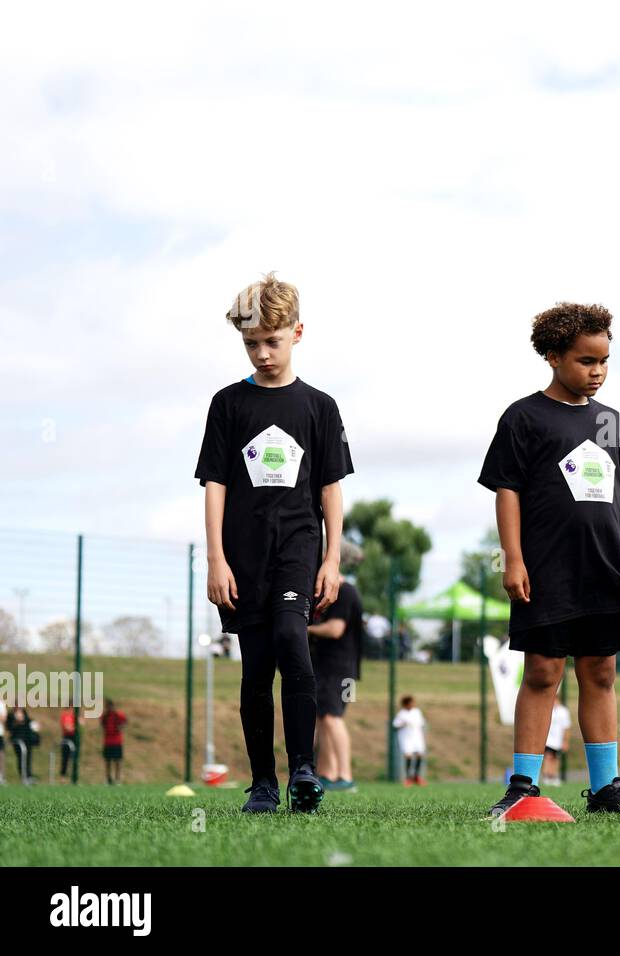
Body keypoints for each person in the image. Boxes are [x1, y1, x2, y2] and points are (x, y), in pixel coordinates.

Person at [478, 302, 620, 817]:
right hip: (547, 570)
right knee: (543, 672)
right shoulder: (524, 417)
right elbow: (505, 490)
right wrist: (513, 558)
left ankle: (605, 789)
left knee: (600, 672)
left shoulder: (612, 422)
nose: (596, 371)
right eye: (585, 361)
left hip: (605, 570)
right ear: (553, 357)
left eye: (603, 361)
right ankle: (523, 785)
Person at [195, 272, 355, 814]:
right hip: (242, 554)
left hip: (299, 546)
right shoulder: (227, 405)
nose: (262, 353)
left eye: (272, 340)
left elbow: (330, 487)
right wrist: (217, 559)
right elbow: (215, 484)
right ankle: (263, 783)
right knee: (256, 663)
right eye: (251, 343)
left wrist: (332, 558)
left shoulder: (320, 407)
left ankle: (304, 771)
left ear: (298, 333)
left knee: (293, 637)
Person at [310, 578, 364, 791]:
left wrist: (306, 629)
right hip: (329, 669)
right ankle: (328, 774)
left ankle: (345, 775)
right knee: (323, 718)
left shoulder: (345, 592)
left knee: (332, 717)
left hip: (340, 670)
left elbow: (335, 629)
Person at [392, 695, 428, 786]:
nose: (413, 704)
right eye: (411, 703)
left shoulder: (417, 712)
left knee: (420, 754)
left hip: (417, 737)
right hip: (406, 738)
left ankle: (417, 776)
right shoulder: (401, 714)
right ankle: (408, 778)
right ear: (406, 704)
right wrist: (403, 724)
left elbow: (421, 723)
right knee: (408, 756)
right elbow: (395, 725)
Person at [542, 697, 572, 787]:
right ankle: (546, 776)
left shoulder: (563, 711)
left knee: (555, 759)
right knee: (548, 757)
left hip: (558, 740)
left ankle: (553, 776)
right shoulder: (546, 710)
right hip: (548, 740)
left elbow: (566, 727)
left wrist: (565, 741)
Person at [6, 705, 38, 784]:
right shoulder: (11, 715)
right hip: (18, 740)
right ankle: (23, 776)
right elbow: (9, 727)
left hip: (27, 740)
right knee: (21, 758)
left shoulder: (24, 712)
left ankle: (28, 776)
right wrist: (16, 721)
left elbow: (29, 722)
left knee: (28, 758)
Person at [101, 699, 127, 784]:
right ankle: (108, 778)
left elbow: (125, 721)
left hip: (116, 741)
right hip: (107, 742)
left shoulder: (118, 715)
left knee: (117, 761)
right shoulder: (105, 716)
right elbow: (102, 724)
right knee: (107, 761)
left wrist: (120, 727)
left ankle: (117, 779)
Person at [59, 707, 80, 778]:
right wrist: (74, 727)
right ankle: (63, 776)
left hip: (75, 738)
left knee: (74, 758)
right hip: (67, 738)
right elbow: (67, 727)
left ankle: (73, 775)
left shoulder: (75, 716)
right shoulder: (65, 715)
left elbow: (82, 723)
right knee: (65, 758)